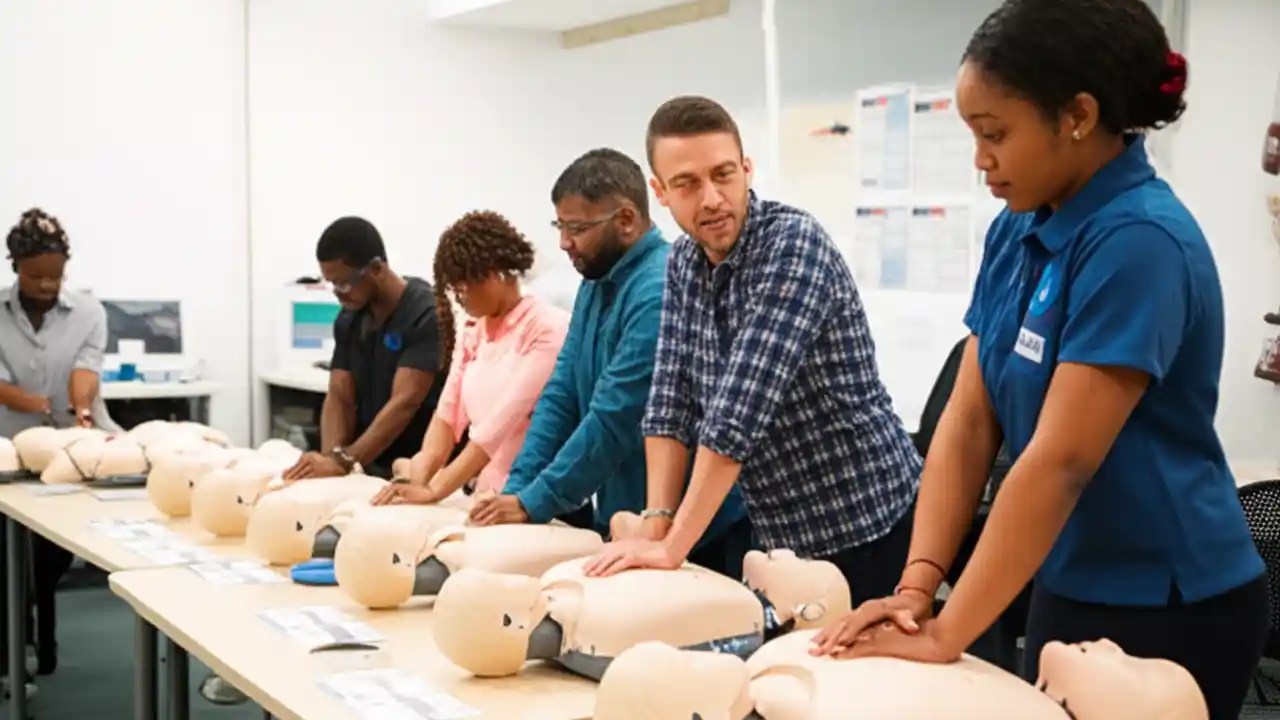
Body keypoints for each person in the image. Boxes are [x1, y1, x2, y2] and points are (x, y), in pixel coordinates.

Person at [809, 3, 1268, 719]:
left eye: (995, 134)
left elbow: (1060, 461)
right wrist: (915, 590)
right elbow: (967, 419)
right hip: (1063, 575)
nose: (979, 158)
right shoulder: (1018, 227)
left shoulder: (1140, 243)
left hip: (1167, 600)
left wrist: (947, 635)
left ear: (1077, 115)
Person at [583, 97, 922, 604]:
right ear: (661, 193)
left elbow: (736, 415)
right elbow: (670, 401)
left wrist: (674, 547)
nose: (712, 198)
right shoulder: (682, 264)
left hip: (868, 521)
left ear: (747, 168)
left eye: (723, 174)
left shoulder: (792, 246)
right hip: (782, 536)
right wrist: (657, 519)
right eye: (688, 184)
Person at [468, 148, 752, 579]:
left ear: (625, 220)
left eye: (577, 228)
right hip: (625, 516)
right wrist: (517, 493)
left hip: (696, 534)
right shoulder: (596, 282)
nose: (564, 242)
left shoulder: (658, 287)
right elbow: (561, 396)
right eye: (560, 226)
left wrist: (534, 502)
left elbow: (615, 417)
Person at [371, 210, 568, 506]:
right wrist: (419, 476)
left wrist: (436, 490)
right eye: (456, 290)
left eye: (465, 288)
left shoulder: (548, 328)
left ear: (496, 273)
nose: (461, 299)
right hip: (483, 490)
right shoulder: (474, 331)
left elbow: (496, 428)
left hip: (531, 495)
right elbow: (446, 418)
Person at [0, 208, 117, 678]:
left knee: (50, 554)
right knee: (8, 559)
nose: (47, 285)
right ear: (15, 267)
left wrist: (80, 406)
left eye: (56, 275)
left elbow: (85, 368)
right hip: (8, 447)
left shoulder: (88, 311)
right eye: (36, 275)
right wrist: (36, 404)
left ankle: (34, 624)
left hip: (69, 446)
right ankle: (16, 646)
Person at [283, 216, 444, 481]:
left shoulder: (426, 315)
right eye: (332, 284)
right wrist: (330, 461)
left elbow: (404, 404)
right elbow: (339, 395)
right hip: (366, 463)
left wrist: (344, 461)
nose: (338, 293)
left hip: (414, 468)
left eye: (343, 283)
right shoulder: (350, 318)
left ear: (377, 269)